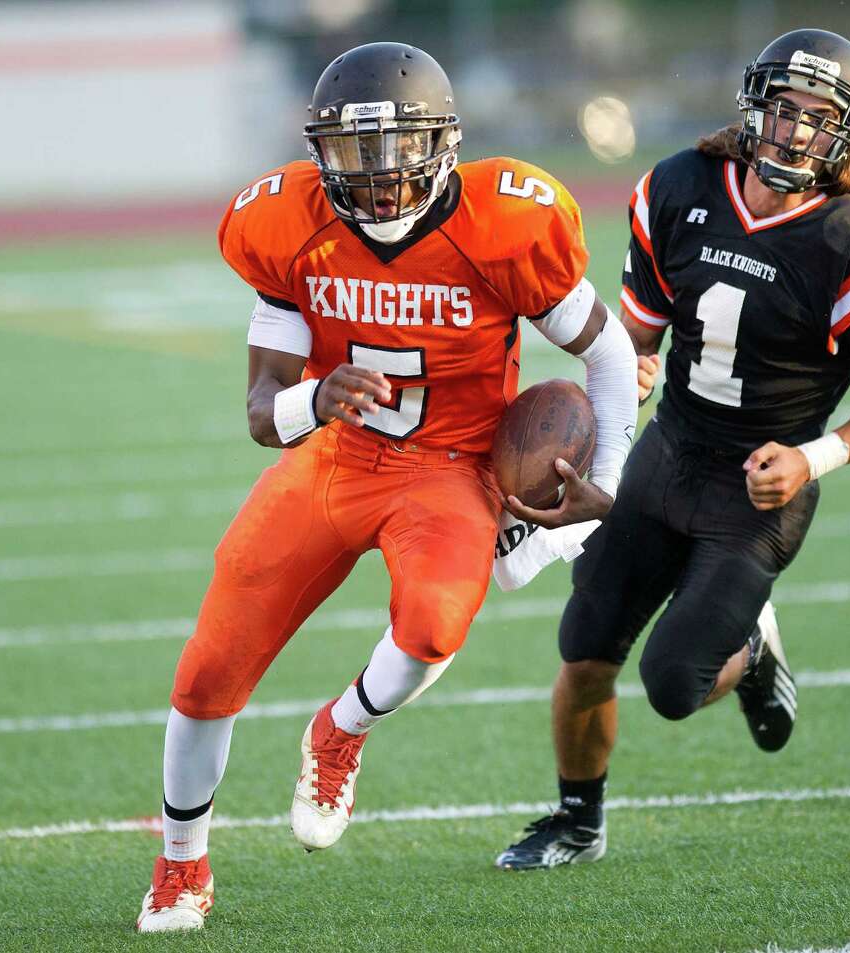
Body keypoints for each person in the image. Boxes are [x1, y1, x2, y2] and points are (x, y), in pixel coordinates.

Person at [136, 42, 638, 931]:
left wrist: (602, 486)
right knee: (207, 671)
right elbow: (261, 413)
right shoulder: (288, 224)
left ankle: (341, 729)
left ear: (443, 145)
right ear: (317, 152)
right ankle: (181, 865)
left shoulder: (503, 224)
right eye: (350, 153)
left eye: (394, 149)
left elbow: (604, 352)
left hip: (450, 468)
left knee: (437, 622)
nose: (373, 177)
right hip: (334, 461)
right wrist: (314, 396)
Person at [495, 28, 850, 870]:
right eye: (783, 106)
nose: (795, 129)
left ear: (849, 134)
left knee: (671, 685)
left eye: (818, 116)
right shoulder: (678, 186)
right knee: (583, 649)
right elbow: (638, 339)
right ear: (752, 103)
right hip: (673, 451)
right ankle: (577, 821)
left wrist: (815, 458)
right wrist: (617, 422)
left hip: (761, 484)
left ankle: (754, 651)